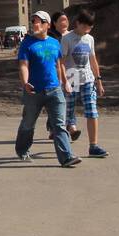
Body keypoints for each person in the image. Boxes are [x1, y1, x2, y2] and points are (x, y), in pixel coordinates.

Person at [16, 10, 79, 167]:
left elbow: (58, 66)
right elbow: (23, 65)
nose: (35, 24)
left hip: (54, 90)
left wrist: (64, 82)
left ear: (47, 25)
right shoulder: (27, 43)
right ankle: (22, 149)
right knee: (28, 123)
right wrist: (25, 83)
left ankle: (66, 157)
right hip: (33, 91)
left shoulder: (54, 43)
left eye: (39, 21)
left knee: (59, 125)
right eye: (33, 21)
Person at [63, 10, 108, 157]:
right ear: (77, 23)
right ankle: (65, 143)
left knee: (92, 111)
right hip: (71, 79)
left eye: (90, 28)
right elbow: (61, 62)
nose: (87, 30)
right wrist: (64, 81)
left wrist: (98, 80)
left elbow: (93, 60)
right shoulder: (67, 38)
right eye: (85, 27)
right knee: (68, 112)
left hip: (88, 79)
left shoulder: (90, 39)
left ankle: (93, 146)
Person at [46, 11, 71, 140]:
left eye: (66, 20)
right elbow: (49, 57)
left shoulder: (71, 36)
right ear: (54, 23)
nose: (64, 22)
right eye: (61, 20)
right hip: (55, 75)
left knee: (67, 102)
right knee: (57, 102)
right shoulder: (51, 38)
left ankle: (69, 127)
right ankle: (54, 128)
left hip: (71, 74)